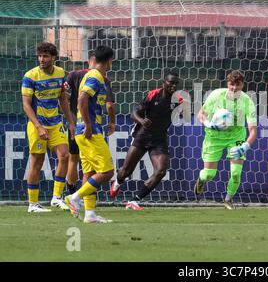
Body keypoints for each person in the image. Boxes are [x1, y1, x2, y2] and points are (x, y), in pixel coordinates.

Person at [109, 72, 183, 210]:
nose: (173, 85)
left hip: (159, 139)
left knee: (161, 171)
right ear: (164, 83)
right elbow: (134, 113)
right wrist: (142, 121)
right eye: (170, 82)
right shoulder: (153, 95)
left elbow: (180, 113)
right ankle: (118, 182)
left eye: (175, 83)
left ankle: (134, 200)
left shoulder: (178, 100)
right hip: (142, 136)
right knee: (126, 171)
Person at [21, 42, 75, 212]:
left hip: (55, 122)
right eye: (40, 56)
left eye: (45, 56)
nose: (42, 59)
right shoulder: (30, 76)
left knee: (65, 156)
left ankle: (56, 198)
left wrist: (71, 121)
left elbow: (62, 99)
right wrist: (38, 126)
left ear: (53, 58)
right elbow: (26, 105)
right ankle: (32, 204)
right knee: (37, 161)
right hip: (37, 124)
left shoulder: (60, 73)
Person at [64, 45, 116, 223]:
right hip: (89, 130)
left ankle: (90, 214)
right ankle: (74, 198)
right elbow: (81, 99)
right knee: (107, 171)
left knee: (89, 172)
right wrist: (87, 124)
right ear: (109, 61)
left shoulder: (96, 76)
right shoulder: (94, 75)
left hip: (85, 130)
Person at [194, 70, 257, 210]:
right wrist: (209, 124)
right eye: (231, 84)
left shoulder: (247, 102)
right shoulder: (216, 95)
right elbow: (201, 114)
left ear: (243, 85)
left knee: (235, 173)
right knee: (209, 174)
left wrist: (245, 146)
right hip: (214, 137)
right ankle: (201, 181)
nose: (234, 88)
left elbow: (253, 131)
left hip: (236, 138)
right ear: (227, 83)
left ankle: (228, 200)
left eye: (238, 85)